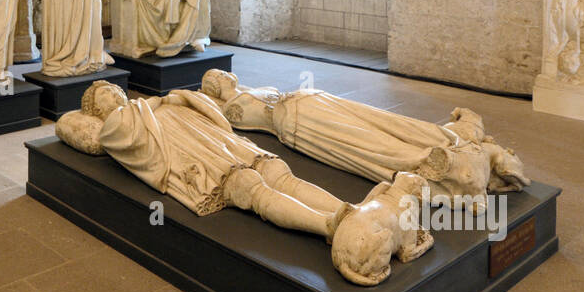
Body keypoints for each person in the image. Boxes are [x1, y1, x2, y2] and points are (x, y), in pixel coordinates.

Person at [55, 81, 433, 286]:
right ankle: (326, 227)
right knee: (252, 191)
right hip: (198, 162)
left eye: (115, 90)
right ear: (97, 109)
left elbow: (207, 109)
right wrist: (152, 105)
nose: (115, 94)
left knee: (279, 174)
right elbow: (121, 140)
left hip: (221, 143)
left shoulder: (157, 103)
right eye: (105, 94)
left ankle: (345, 212)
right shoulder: (118, 123)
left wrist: (174, 100)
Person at [199, 69, 530, 212]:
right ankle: (434, 166)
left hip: (310, 100)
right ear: (214, 89)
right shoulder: (232, 107)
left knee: (381, 121)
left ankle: (451, 139)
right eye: (216, 78)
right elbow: (207, 112)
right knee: (366, 143)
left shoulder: (244, 91)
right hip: (298, 120)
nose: (224, 75)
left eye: (220, 73)